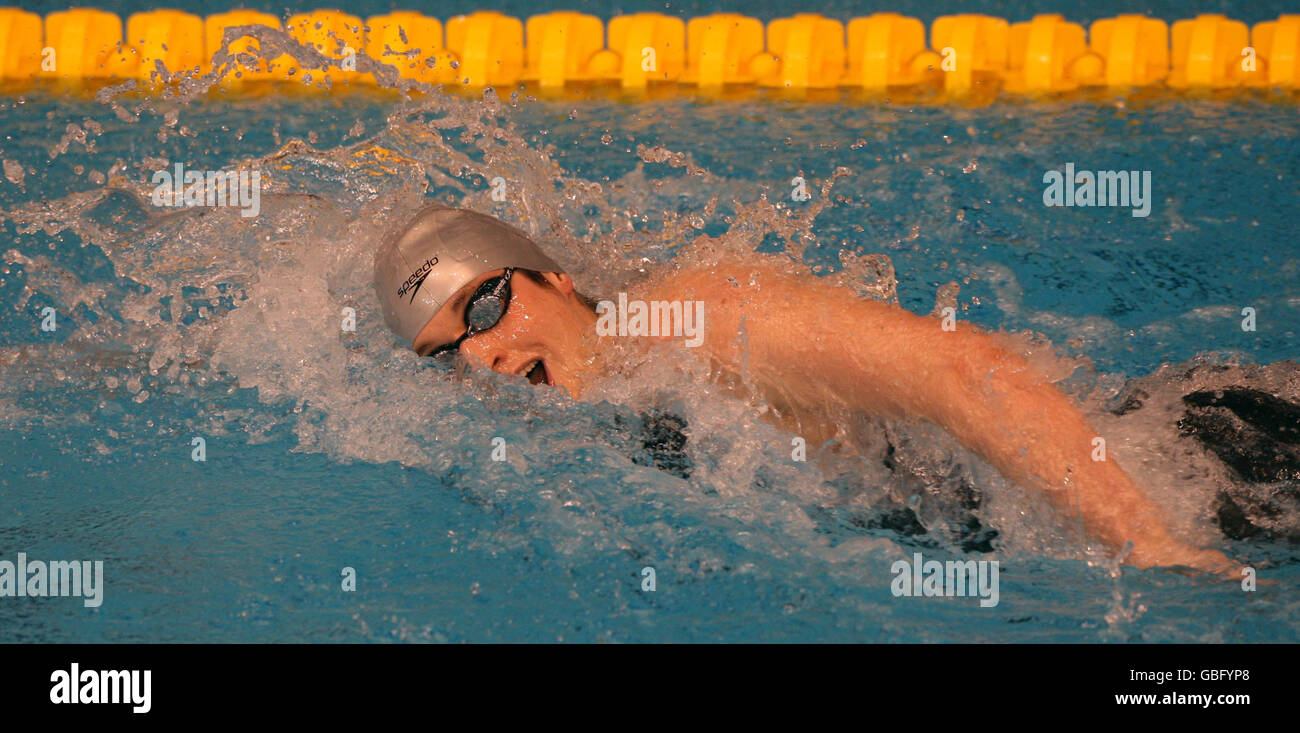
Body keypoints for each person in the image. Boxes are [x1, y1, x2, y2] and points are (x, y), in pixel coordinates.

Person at [374, 203, 1240, 576]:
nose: (480, 354)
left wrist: (1149, 541)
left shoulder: (695, 318)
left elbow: (968, 370)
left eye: (483, 304)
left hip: (1214, 464)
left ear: (557, 278)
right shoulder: (597, 412)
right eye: (444, 350)